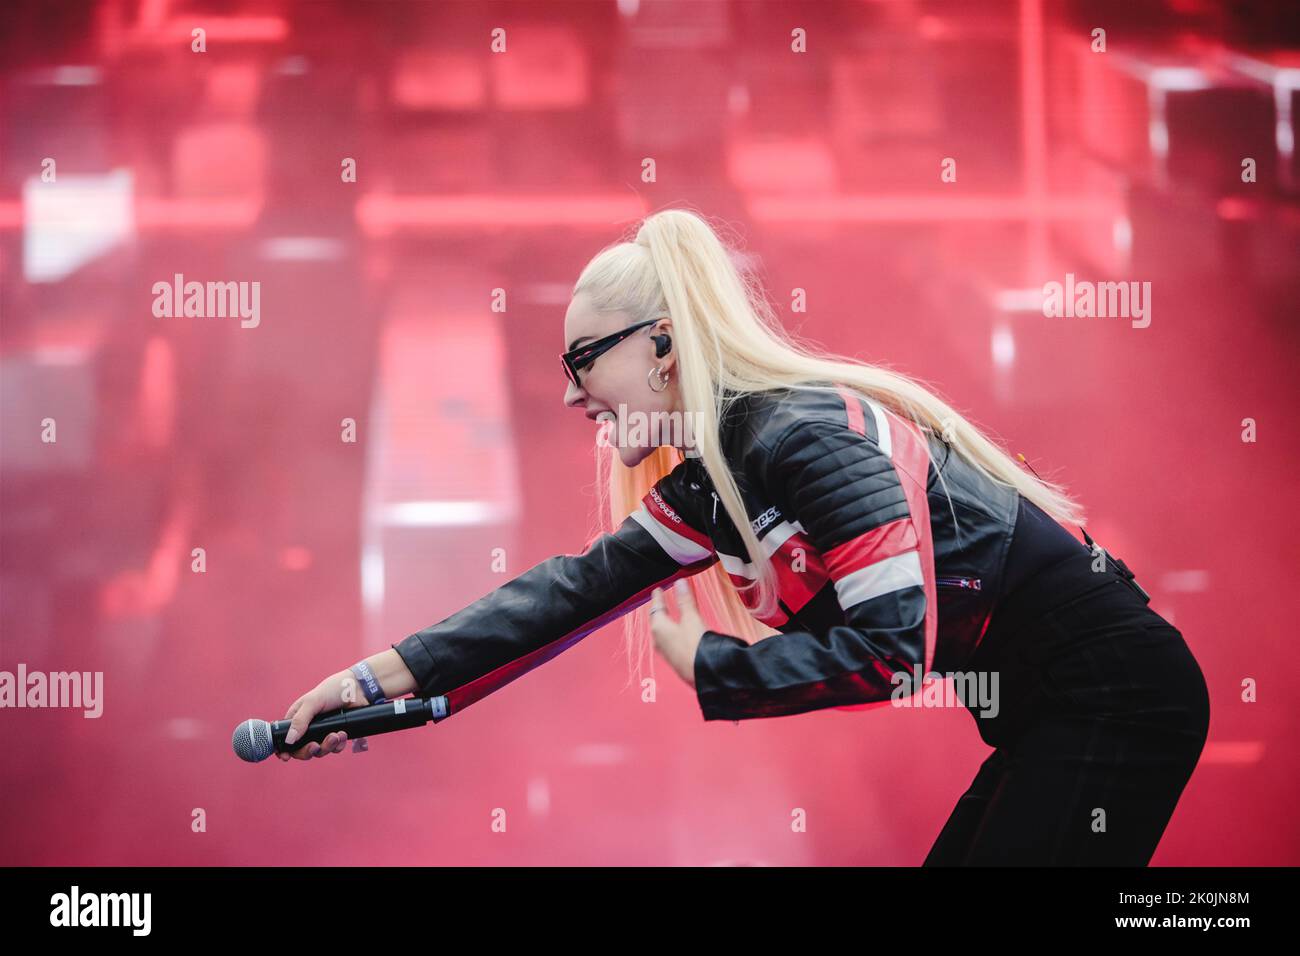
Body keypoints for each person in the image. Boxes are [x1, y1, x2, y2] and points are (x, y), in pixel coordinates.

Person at [278, 208, 1209, 866]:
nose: (568, 396)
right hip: (1051, 713)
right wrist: (372, 690)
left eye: (581, 361)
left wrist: (715, 668)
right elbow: (558, 598)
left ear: (663, 345)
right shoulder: (717, 481)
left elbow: (893, 654)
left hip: (1117, 698)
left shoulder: (803, 438)